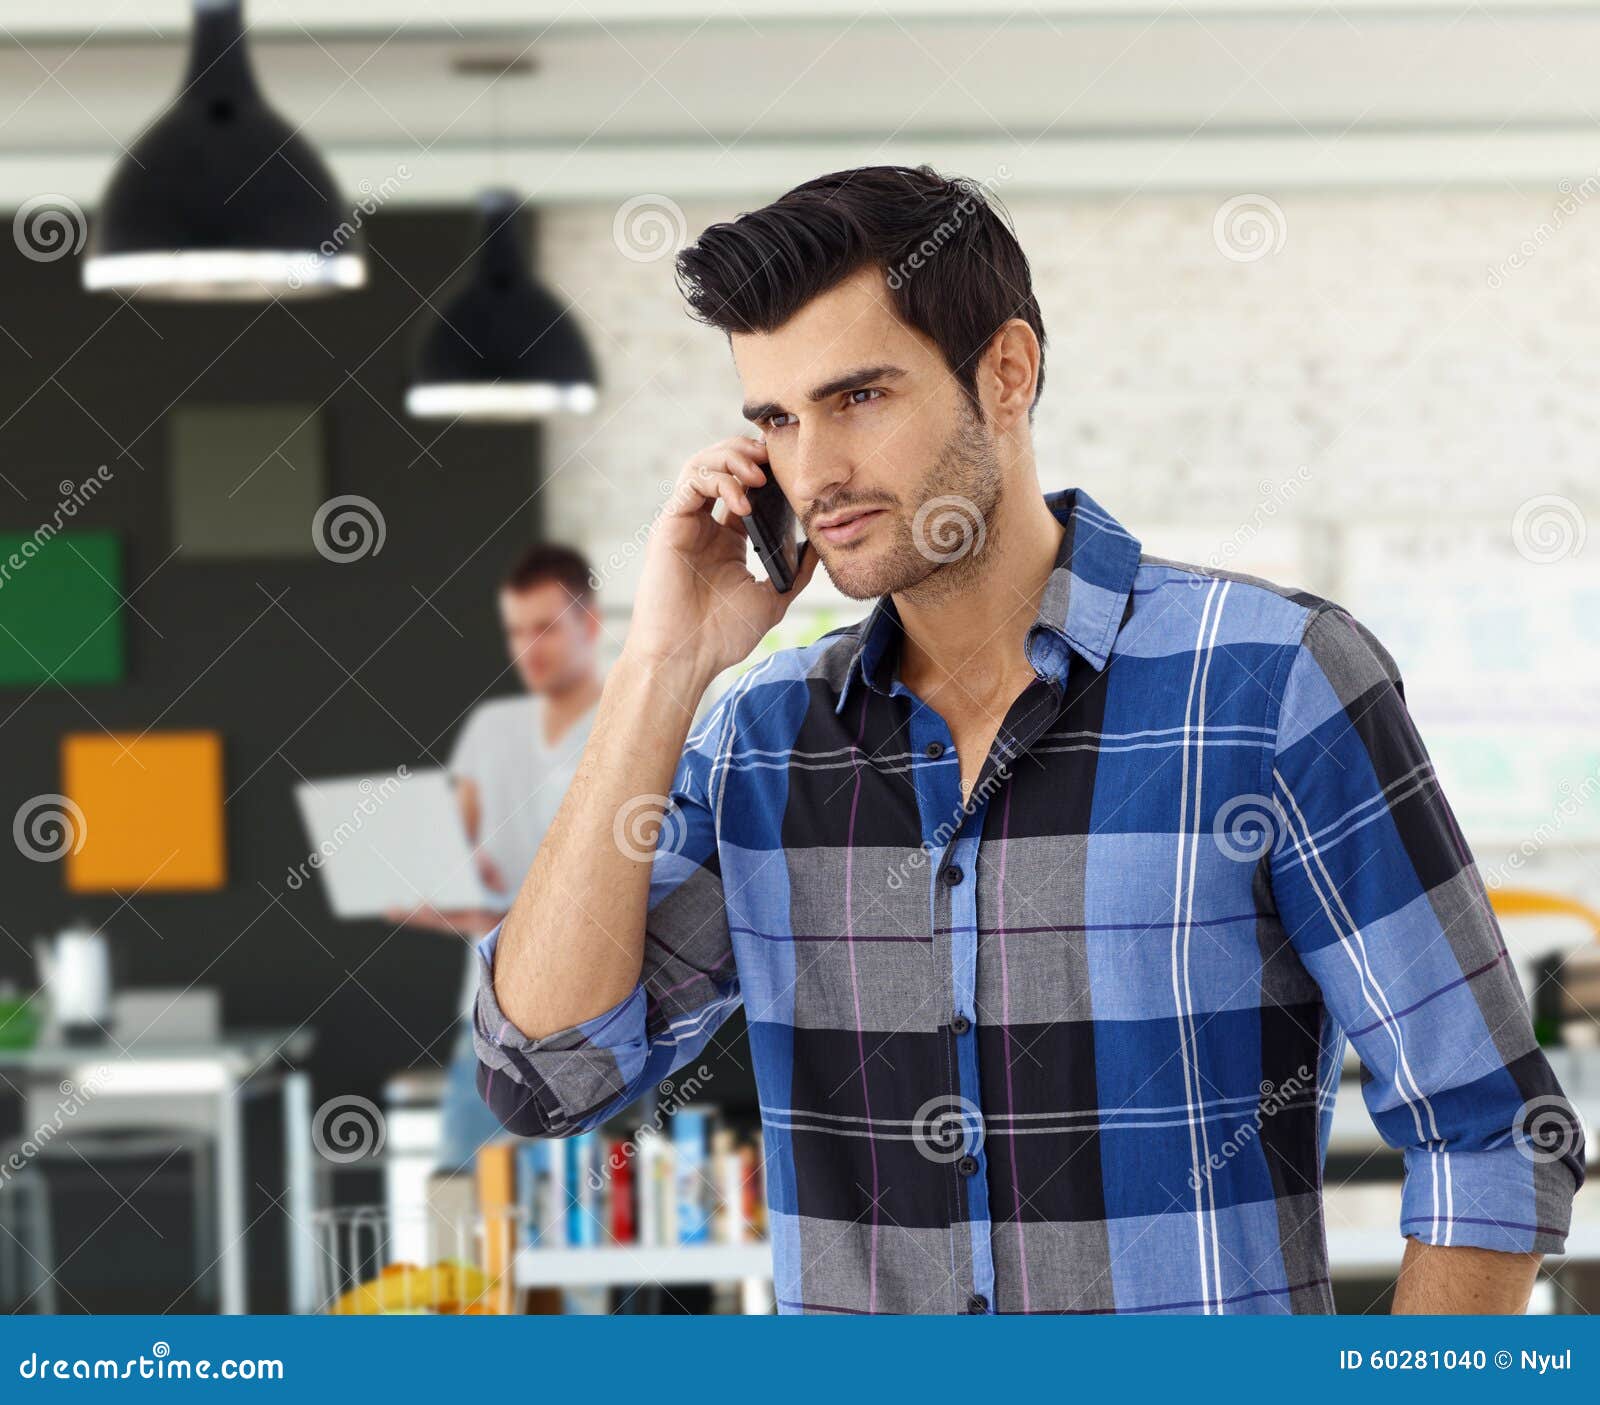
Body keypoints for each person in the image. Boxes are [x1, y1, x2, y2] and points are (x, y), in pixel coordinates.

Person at [468, 165, 1584, 1313]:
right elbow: (546, 1072)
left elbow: (1492, 1136)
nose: (812, 473)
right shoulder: (763, 743)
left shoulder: (1273, 683)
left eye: (859, 397)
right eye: (776, 420)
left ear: (1006, 372)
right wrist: (660, 667)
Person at [390, 543, 602, 1171]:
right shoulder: (492, 729)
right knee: (462, 1201)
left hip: (593, 1026)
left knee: (590, 1214)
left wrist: (523, 916)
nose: (528, 649)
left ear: (589, 625)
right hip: (488, 1021)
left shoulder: (629, 723)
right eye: (515, 631)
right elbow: (451, 863)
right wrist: (440, 894)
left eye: (546, 628)